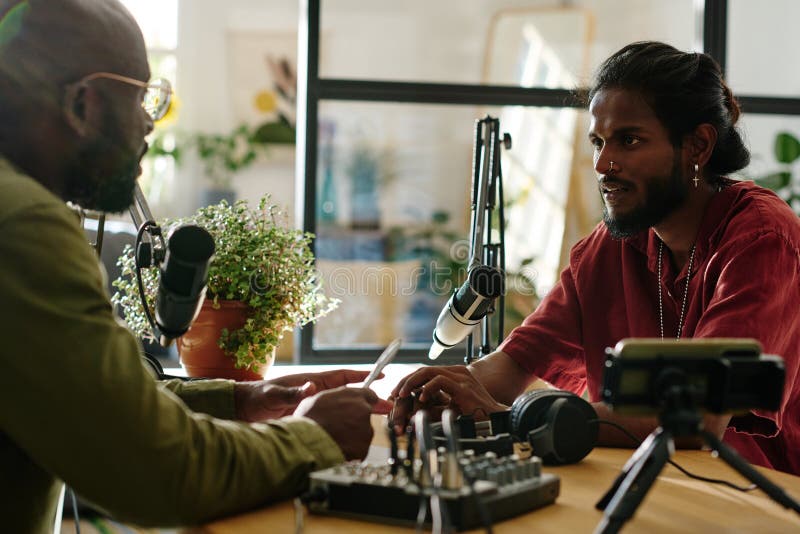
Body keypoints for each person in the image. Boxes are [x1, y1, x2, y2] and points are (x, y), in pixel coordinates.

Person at [0, 1, 389, 531]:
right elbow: (160, 471)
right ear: (83, 105)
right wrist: (314, 437)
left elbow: (97, 396)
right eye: (142, 97)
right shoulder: (22, 227)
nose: (148, 123)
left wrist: (243, 399)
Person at [392, 41, 800, 475]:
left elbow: (698, 419)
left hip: (758, 499)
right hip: (651, 484)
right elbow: (516, 363)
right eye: (598, 142)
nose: (604, 163)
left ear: (697, 146)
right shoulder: (610, 246)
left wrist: (504, 417)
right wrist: (451, 388)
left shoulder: (763, 239)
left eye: (629, 140)